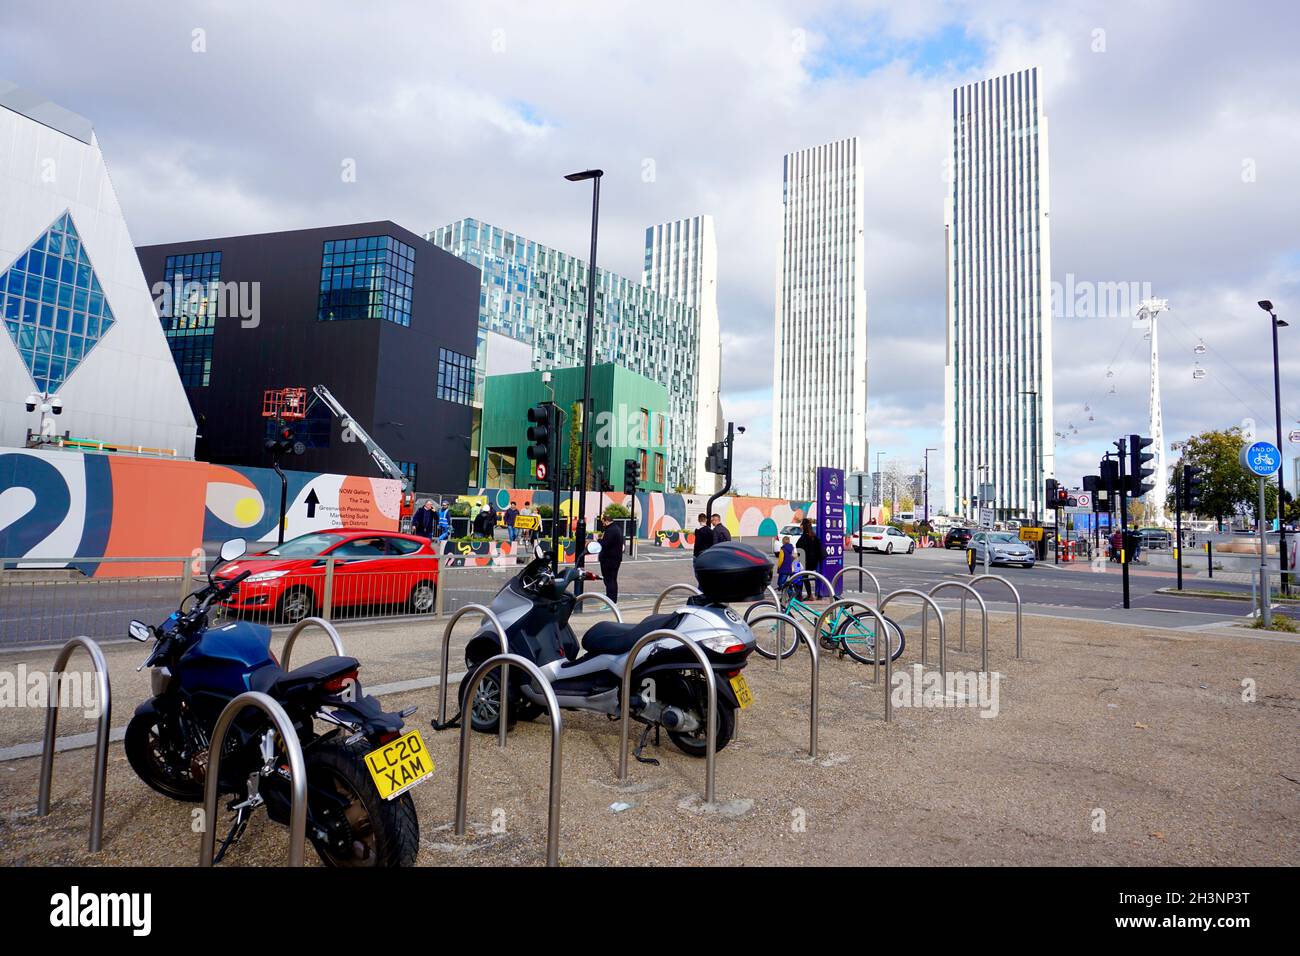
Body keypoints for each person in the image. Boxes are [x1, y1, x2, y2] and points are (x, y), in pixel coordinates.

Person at [795, 518, 825, 600]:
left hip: (806, 561)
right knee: (812, 576)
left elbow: (798, 546)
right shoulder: (814, 536)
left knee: (803, 576)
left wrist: (799, 558)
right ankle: (815, 594)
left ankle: (807, 595)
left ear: (803, 526)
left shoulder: (804, 537)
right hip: (815, 561)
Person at [598, 513, 625, 602]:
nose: (602, 524)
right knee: (613, 580)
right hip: (615, 559)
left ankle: (610, 601)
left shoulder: (610, 530)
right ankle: (613, 601)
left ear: (606, 521)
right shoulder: (617, 528)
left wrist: (599, 540)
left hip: (609, 560)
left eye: (603, 522)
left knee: (609, 581)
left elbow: (604, 544)